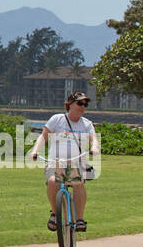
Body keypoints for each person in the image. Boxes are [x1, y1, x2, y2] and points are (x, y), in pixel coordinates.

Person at [29, 92, 100, 233]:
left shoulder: (87, 124)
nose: (83, 107)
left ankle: (80, 219)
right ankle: (55, 214)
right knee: (52, 181)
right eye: (79, 103)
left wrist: (94, 147)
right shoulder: (57, 119)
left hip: (75, 163)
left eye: (85, 104)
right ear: (69, 105)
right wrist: (35, 151)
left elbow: (94, 139)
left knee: (78, 183)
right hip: (56, 161)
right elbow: (43, 137)